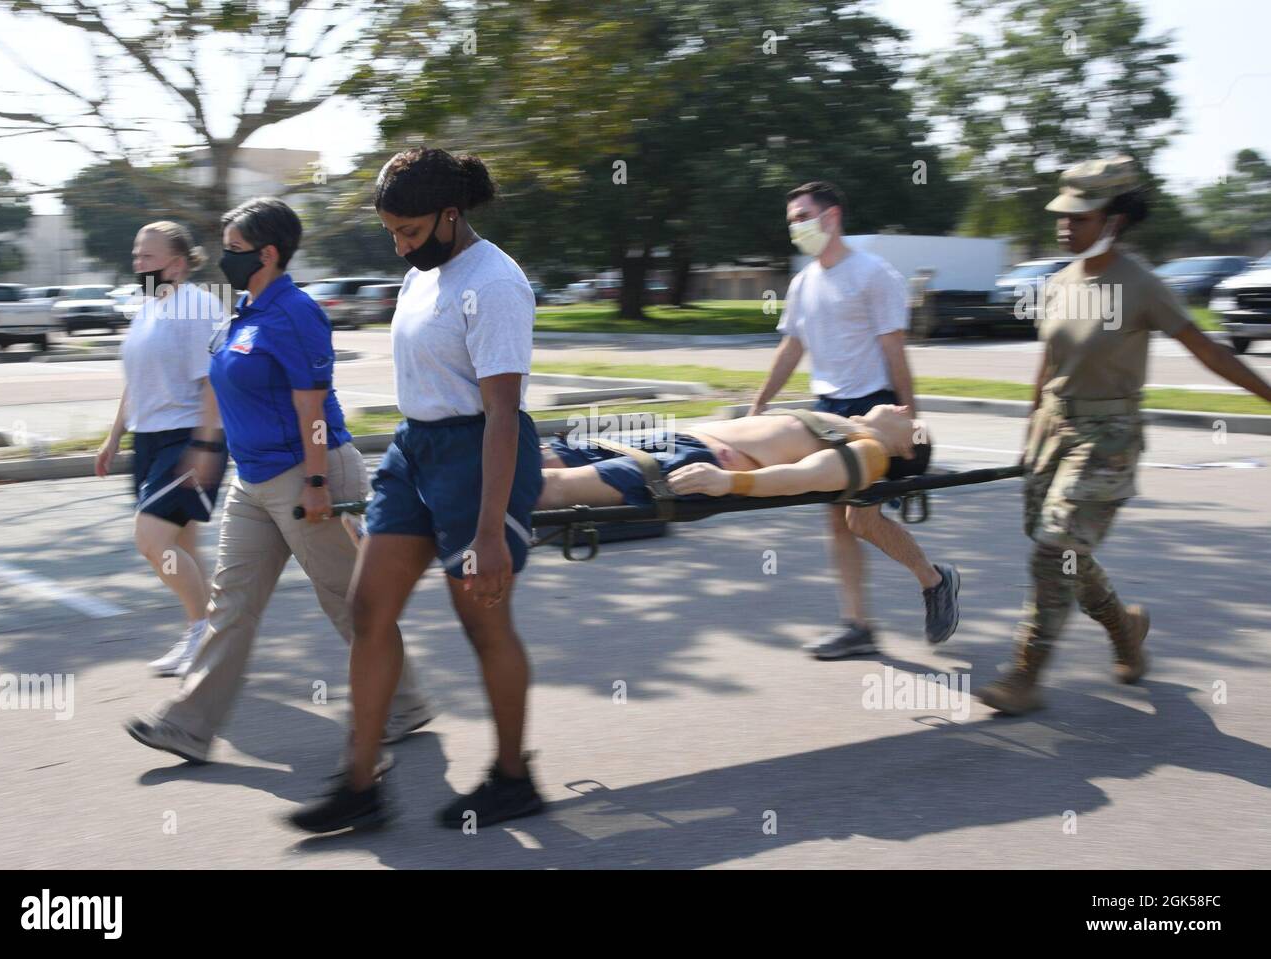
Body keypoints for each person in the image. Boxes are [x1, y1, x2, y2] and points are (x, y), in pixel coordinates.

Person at [289, 149, 543, 834]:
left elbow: (500, 413)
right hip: (416, 449)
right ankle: (362, 785)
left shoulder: (494, 282)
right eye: (390, 232)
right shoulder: (421, 275)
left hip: (478, 455)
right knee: (369, 609)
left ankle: (515, 777)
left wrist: (490, 533)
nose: (400, 245)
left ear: (450, 214)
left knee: (482, 621)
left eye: (408, 231)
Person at [125, 197, 431, 762]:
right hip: (253, 480)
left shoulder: (295, 312)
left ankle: (405, 703)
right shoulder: (244, 308)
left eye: (235, 250)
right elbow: (220, 386)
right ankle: (188, 727)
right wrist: (206, 448)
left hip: (307, 476)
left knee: (347, 601)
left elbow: (311, 406)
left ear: (268, 253)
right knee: (230, 604)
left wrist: (317, 484)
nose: (225, 258)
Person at [976, 156, 1271, 715]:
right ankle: (1125, 629)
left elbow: (1206, 350)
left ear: (1112, 220)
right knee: (1065, 551)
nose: (1066, 226)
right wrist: (1028, 428)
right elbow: (1050, 360)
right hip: (1052, 431)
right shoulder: (1059, 281)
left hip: (1107, 437)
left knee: (1055, 548)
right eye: (1063, 216)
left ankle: (1024, 674)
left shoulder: (1142, 286)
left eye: (1080, 218)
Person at [751, 181, 960, 658]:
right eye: (791, 220)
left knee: (860, 518)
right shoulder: (804, 282)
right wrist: (759, 404)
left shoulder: (873, 274)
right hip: (828, 412)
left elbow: (894, 348)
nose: (796, 227)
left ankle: (934, 580)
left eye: (802, 216)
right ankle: (857, 625)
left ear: (832, 217)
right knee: (838, 520)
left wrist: (913, 422)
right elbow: (792, 348)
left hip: (875, 409)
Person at [96, 221, 228, 677]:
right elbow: (135, 383)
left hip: (188, 437)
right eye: (136, 255)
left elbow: (212, 382)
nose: (138, 263)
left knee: (152, 541)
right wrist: (114, 437)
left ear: (176, 263)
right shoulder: (147, 308)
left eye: (147, 257)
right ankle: (207, 635)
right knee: (182, 545)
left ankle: (202, 632)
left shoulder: (196, 307)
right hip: (149, 439)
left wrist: (206, 447)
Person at [539, 404, 930, 509]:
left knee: (551, 489)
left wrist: (730, 482)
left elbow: (806, 478)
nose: (903, 408)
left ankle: (479, 524)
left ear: (907, 448)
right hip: (676, 439)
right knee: (537, 458)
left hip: (694, 460)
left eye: (910, 420)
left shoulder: (872, 456)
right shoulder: (847, 426)